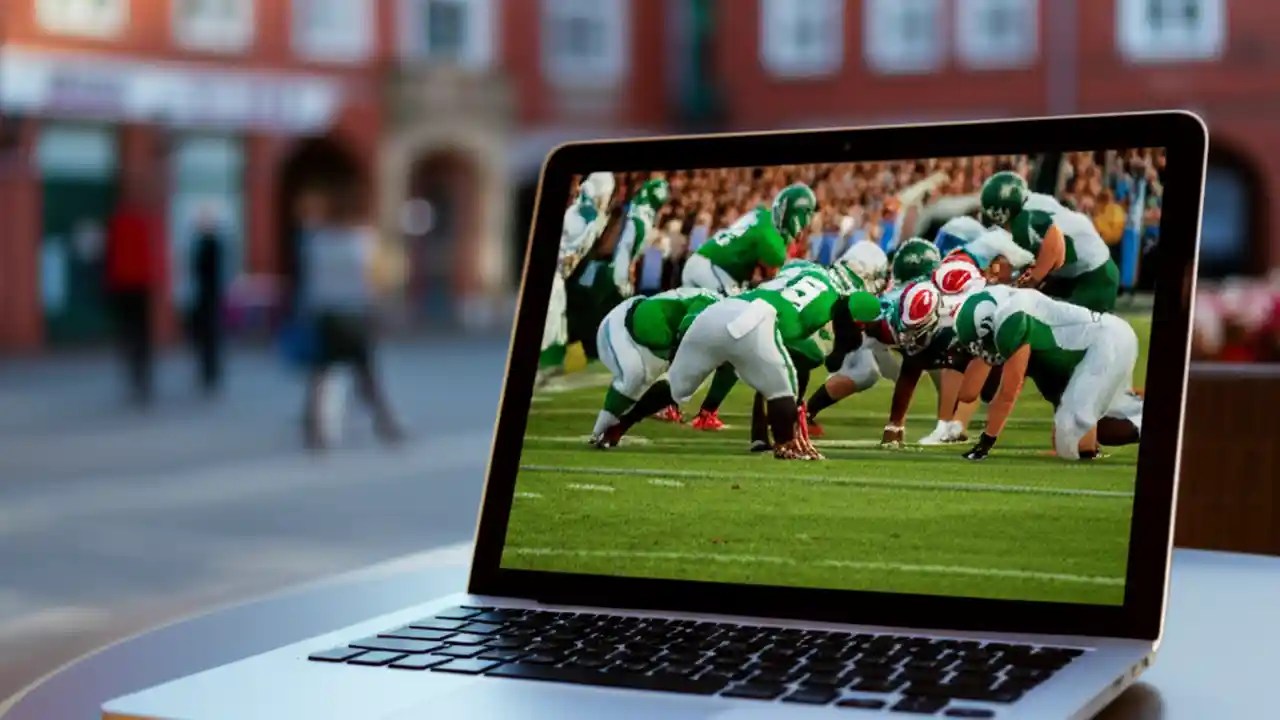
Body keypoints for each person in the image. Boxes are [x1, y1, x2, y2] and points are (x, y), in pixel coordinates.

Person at [300, 193, 403, 450]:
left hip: (327, 316)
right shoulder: (363, 241)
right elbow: (374, 281)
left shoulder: (317, 242)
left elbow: (310, 284)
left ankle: (315, 429)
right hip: (355, 316)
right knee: (366, 374)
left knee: (321, 374)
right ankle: (386, 424)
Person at [104, 186, 163, 406]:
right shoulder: (143, 223)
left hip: (124, 285)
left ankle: (137, 375)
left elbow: (112, 257)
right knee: (141, 334)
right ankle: (142, 377)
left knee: (130, 332)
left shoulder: (118, 224)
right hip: (140, 285)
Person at [190, 208, 226, 395]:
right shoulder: (207, 244)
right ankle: (208, 370)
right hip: (206, 295)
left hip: (208, 295)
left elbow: (200, 269)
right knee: (207, 335)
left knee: (210, 335)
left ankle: (210, 370)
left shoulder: (210, 244)